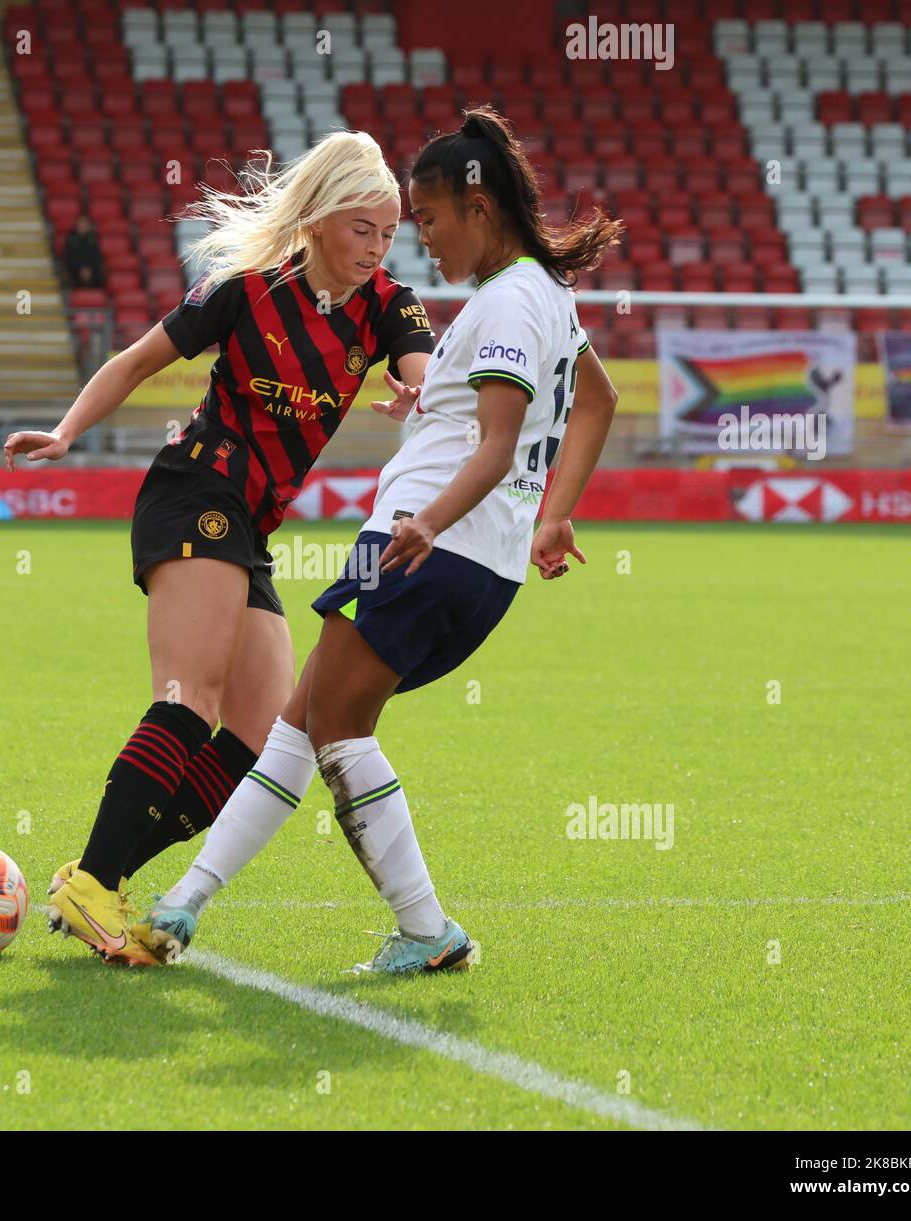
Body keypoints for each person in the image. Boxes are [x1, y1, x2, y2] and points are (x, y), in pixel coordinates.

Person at [130, 107, 623, 974]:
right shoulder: (550, 294)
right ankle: (183, 903)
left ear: (479, 209)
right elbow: (598, 401)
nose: (419, 241)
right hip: (486, 559)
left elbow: (497, 444)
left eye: (427, 220)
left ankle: (427, 927)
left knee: (340, 729)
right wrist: (553, 514)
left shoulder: (508, 301)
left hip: (425, 545)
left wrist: (427, 520)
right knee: (303, 723)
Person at [5, 131, 436, 965]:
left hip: (249, 530)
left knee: (262, 737)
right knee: (189, 696)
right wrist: (65, 431)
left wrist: (414, 391)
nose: (377, 248)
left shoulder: (389, 303)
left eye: (389, 233)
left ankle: (97, 877)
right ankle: (94, 885)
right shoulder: (243, 291)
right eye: (362, 230)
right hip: (194, 494)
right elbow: (134, 362)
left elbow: (429, 371)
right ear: (317, 218)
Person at [63, 214, 105, 288]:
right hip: (76, 271)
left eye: (85, 223)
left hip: (91, 271)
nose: (82, 226)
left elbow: (97, 256)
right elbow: (69, 257)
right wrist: (80, 269)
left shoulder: (93, 239)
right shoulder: (71, 239)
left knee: (100, 277)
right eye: (81, 223)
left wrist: (89, 269)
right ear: (76, 225)